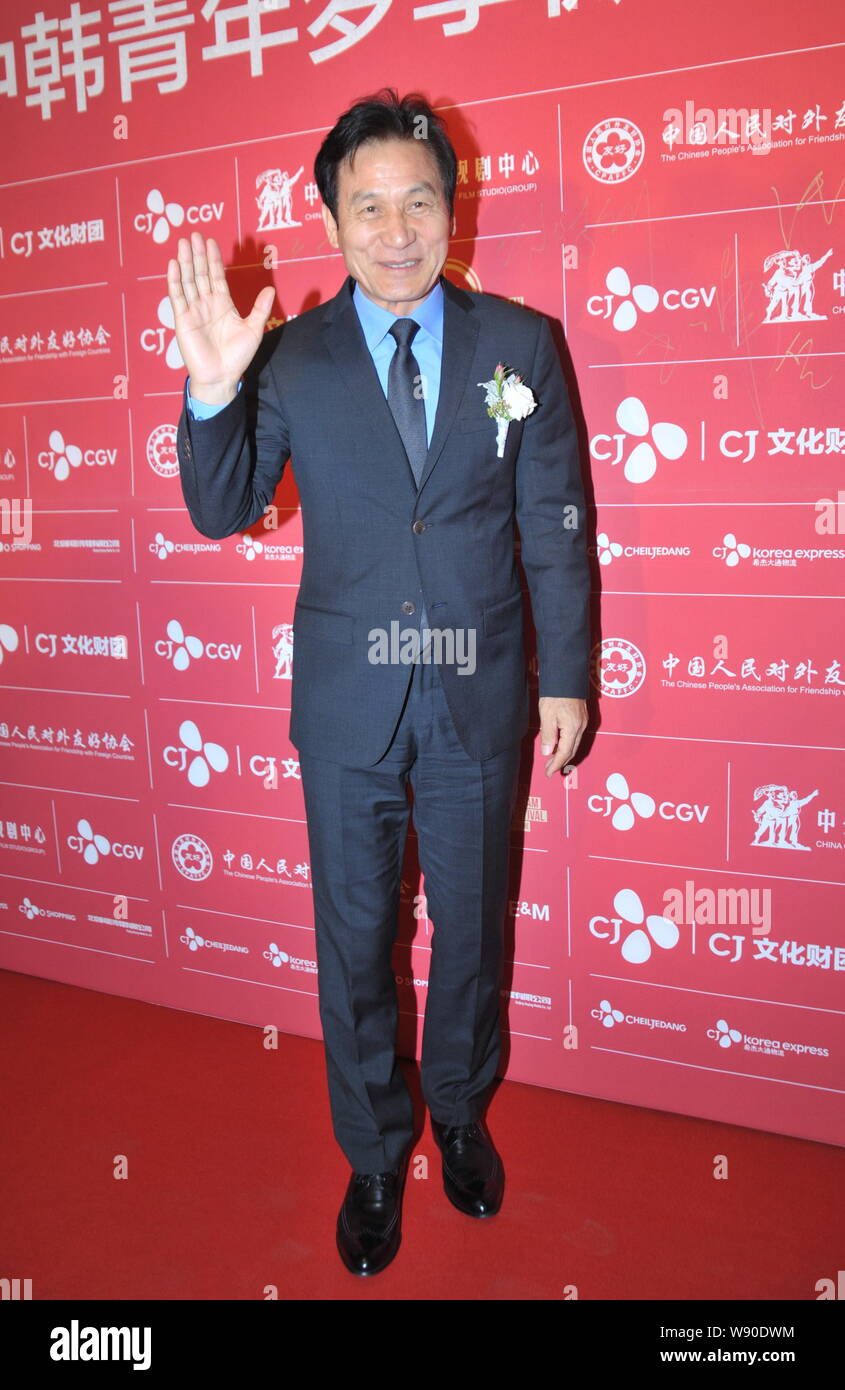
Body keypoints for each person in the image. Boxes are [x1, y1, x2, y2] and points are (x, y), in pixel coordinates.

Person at [168, 88, 590, 1278]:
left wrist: (565, 678)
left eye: (418, 201)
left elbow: (554, 528)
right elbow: (221, 507)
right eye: (367, 206)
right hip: (350, 707)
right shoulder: (288, 355)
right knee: (354, 939)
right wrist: (212, 389)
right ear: (331, 220)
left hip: (477, 698)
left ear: (453, 211)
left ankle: (455, 1113)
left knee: (471, 932)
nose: (395, 229)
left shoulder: (521, 344)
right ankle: (372, 1150)